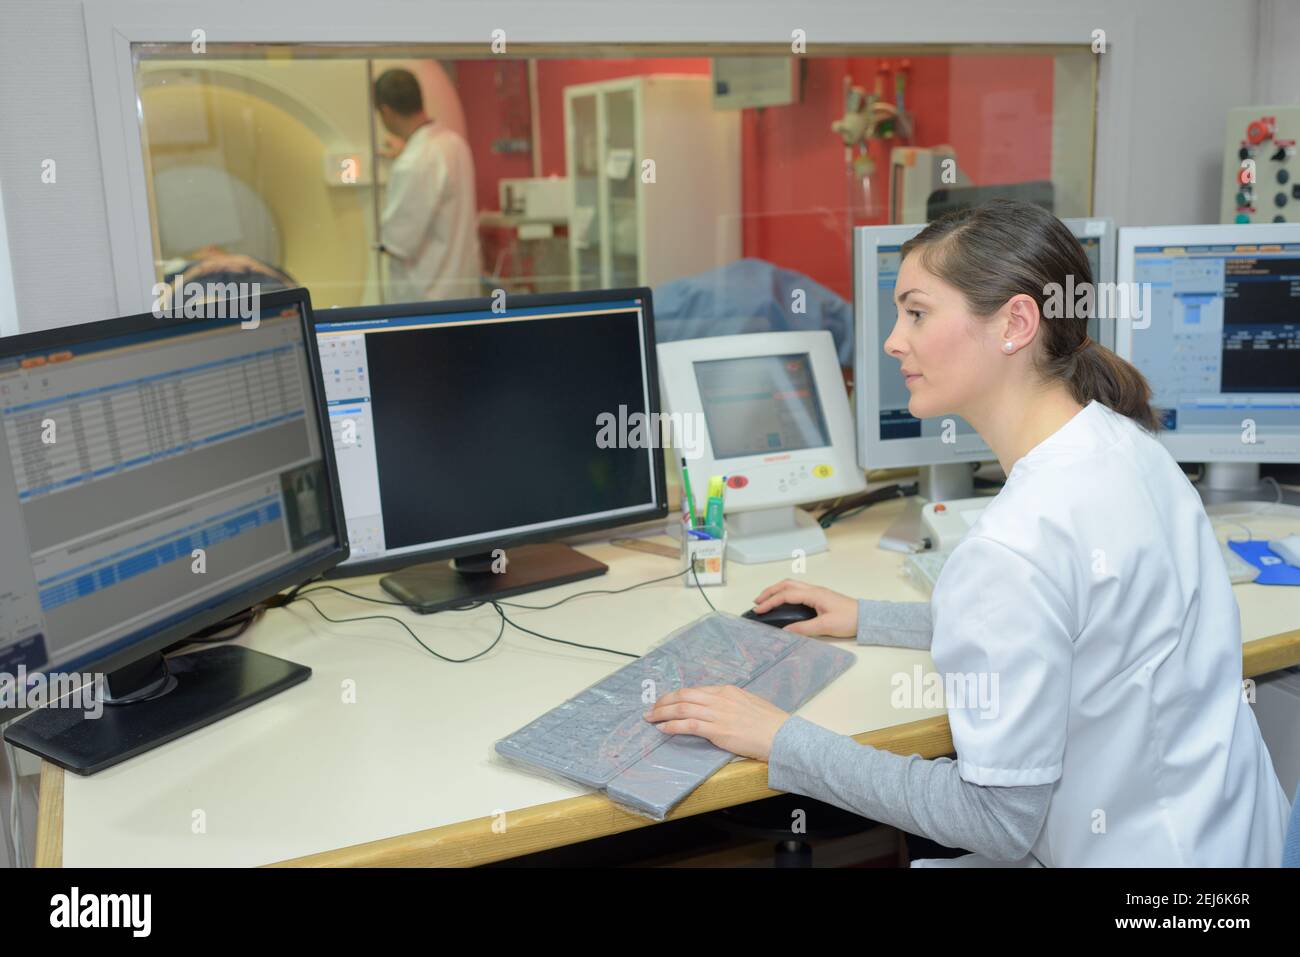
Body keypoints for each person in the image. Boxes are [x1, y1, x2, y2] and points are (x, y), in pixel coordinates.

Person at [645, 199, 1292, 867]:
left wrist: (781, 739)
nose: (894, 340)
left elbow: (993, 818)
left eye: (917, 312)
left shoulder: (1017, 541)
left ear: (1015, 323)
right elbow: (1078, 628)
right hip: (1235, 844)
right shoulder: (1127, 444)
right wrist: (872, 617)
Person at [373, 68, 481, 302]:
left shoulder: (413, 163)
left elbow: (397, 243)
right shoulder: (454, 143)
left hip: (428, 300)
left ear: (386, 111)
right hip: (463, 294)